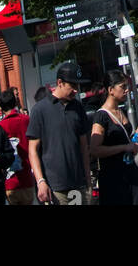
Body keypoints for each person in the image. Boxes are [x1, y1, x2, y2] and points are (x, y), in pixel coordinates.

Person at [27, 63, 92, 205]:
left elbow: (84, 147)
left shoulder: (78, 108)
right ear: (59, 83)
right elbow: (32, 150)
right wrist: (40, 181)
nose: (76, 90)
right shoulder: (40, 110)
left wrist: (88, 180)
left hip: (78, 184)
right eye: (72, 86)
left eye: (78, 86)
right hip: (54, 187)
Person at [89, 70, 138, 206]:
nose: (127, 90)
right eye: (123, 87)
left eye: (127, 86)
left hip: (130, 173)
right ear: (111, 90)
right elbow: (95, 150)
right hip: (113, 177)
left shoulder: (120, 110)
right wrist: (124, 147)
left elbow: (128, 145)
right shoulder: (102, 116)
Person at [0, 88, 36, 206]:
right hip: (28, 177)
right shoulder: (27, 120)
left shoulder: (0, 126)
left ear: (0, 107)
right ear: (15, 102)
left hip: (10, 181)